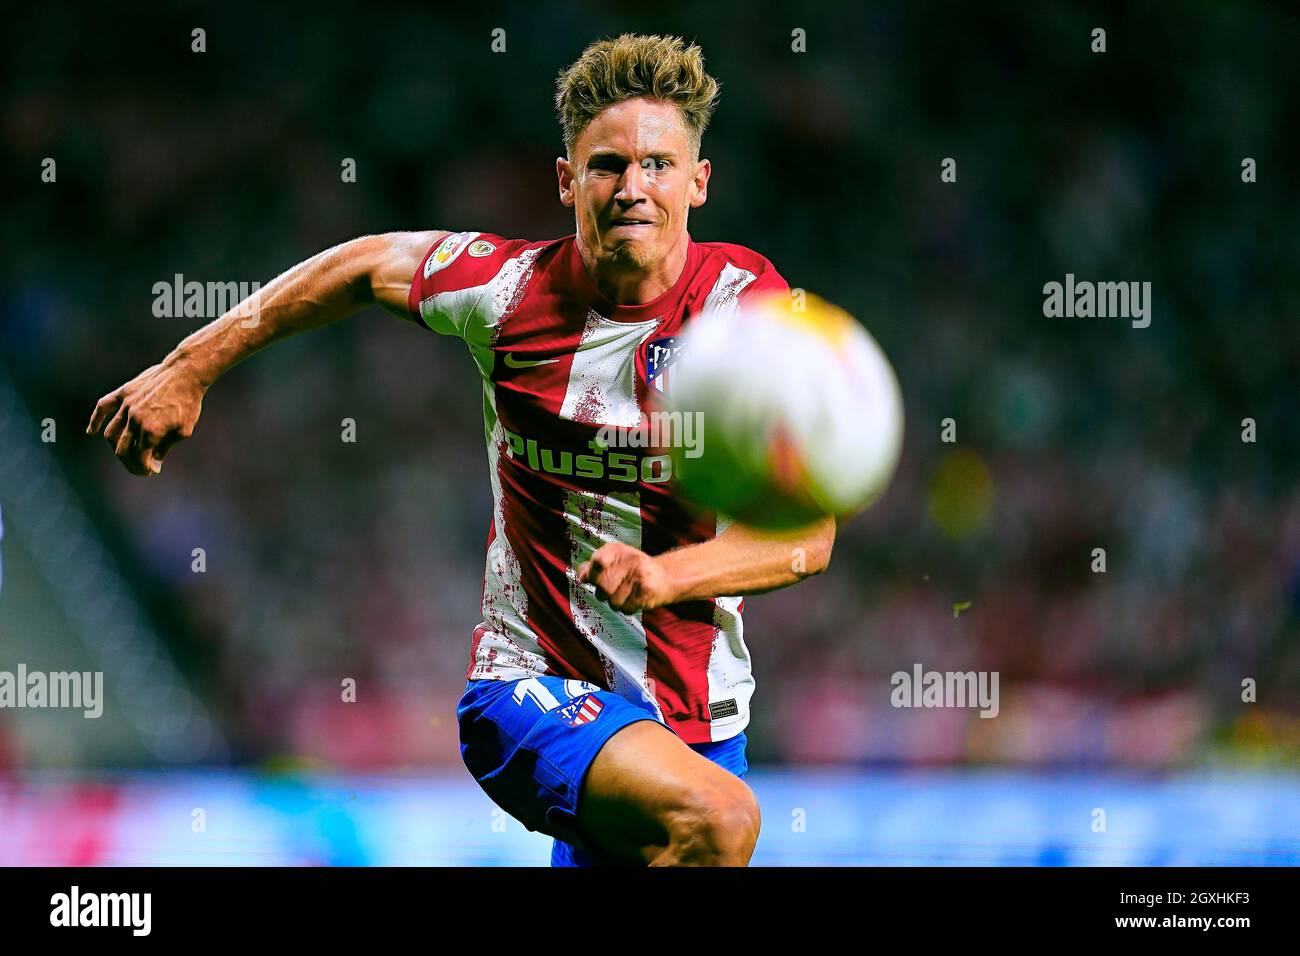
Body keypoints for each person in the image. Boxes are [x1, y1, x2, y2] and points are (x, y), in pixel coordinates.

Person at [87, 33, 835, 866]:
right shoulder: (506, 293)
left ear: (698, 182)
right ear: (566, 181)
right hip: (531, 687)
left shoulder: (748, 314)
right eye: (606, 166)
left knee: (703, 819)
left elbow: (806, 538)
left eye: (658, 164)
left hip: (699, 719)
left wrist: (666, 577)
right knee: (719, 821)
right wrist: (190, 366)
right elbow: (364, 264)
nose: (633, 187)